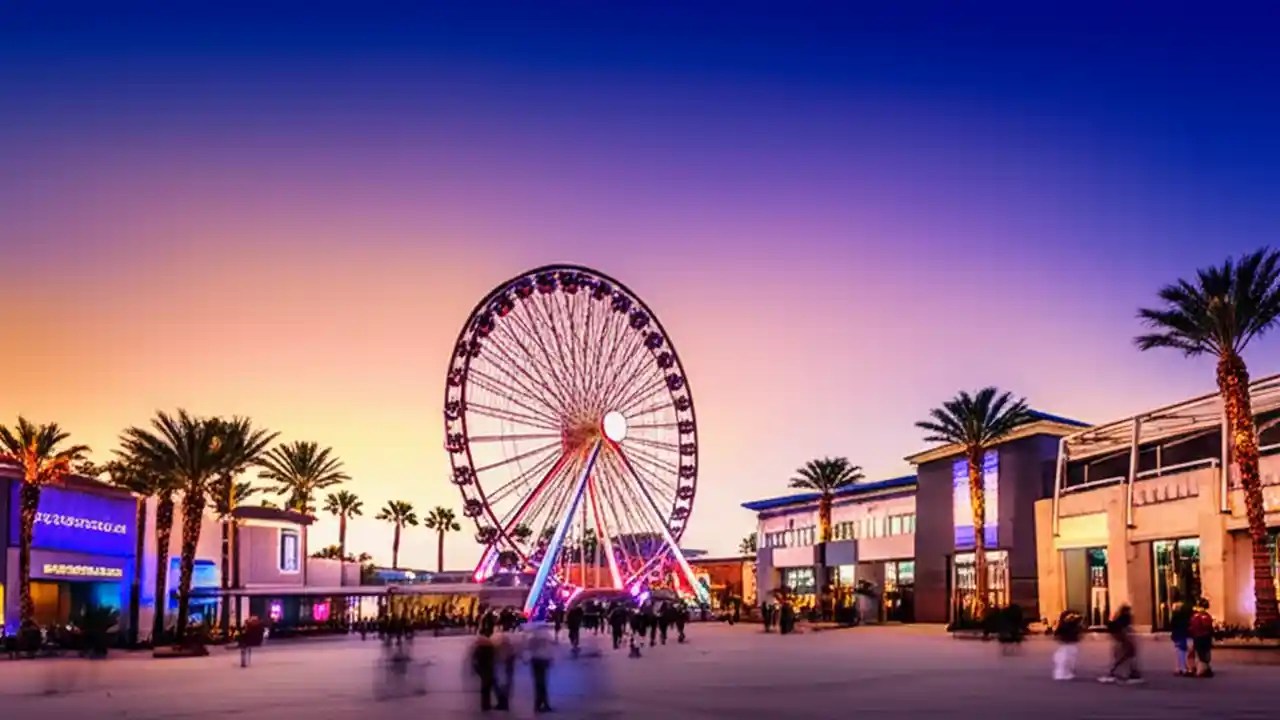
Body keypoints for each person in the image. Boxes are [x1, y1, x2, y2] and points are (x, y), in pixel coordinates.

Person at [1099, 605, 1143, 684]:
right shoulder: (1123, 621)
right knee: (1125, 657)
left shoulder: (1119, 620)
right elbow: (1124, 633)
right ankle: (1128, 673)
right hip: (1123, 642)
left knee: (1123, 658)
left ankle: (1124, 672)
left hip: (1121, 642)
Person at [471, 634, 504, 711]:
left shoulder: (479, 649)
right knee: (490, 686)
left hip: (484, 670)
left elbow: (475, 660)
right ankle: (492, 703)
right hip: (489, 670)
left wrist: (476, 669)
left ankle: (485, 705)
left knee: (485, 688)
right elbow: (495, 658)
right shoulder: (491, 648)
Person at [527, 623, 555, 713]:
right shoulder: (548, 637)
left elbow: (529, 648)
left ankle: (538, 703)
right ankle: (544, 703)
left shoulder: (533, 637)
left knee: (537, 682)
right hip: (544, 660)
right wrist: (551, 659)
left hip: (535, 660)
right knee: (543, 682)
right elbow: (551, 649)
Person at [1052, 609, 1082, 680]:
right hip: (1066, 643)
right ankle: (1061, 673)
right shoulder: (1064, 625)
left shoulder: (1074, 624)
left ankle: (1067, 672)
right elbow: (1058, 633)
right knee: (1064, 658)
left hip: (1071, 642)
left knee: (1071, 658)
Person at [1189, 599, 1215, 678]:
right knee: (1205, 654)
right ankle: (1204, 669)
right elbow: (1209, 628)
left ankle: (1201, 670)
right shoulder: (1207, 616)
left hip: (1198, 637)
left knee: (1200, 654)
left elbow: (1192, 627)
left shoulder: (1195, 617)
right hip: (1206, 637)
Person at [1169, 600, 1195, 676]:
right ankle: (1182, 667)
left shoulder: (1175, 616)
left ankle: (1180, 667)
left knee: (1179, 651)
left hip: (1177, 634)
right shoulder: (1185, 616)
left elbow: (1172, 625)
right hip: (1182, 634)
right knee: (1182, 651)